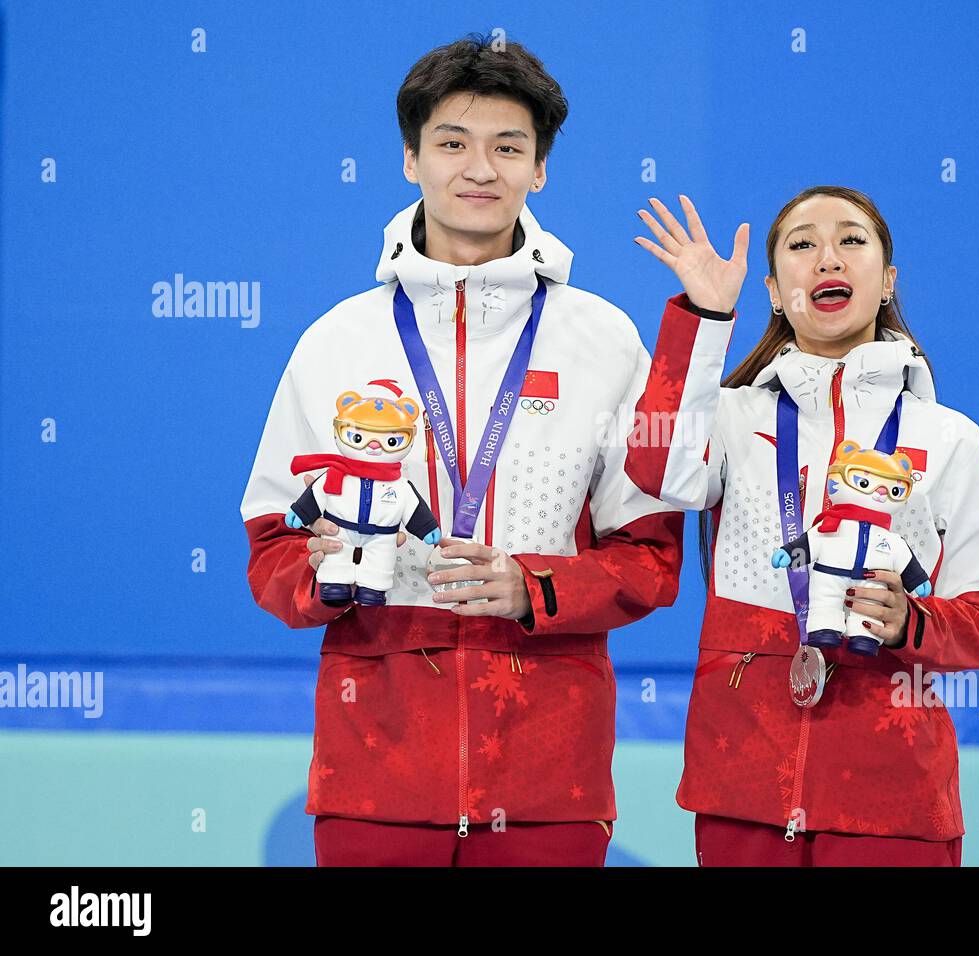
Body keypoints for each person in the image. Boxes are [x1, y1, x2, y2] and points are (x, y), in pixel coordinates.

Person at [239, 34, 683, 867]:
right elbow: (270, 551)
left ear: (540, 169)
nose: (479, 168)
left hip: (551, 776)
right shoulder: (335, 341)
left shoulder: (604, 339)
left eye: (508, 147)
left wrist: (533, 586)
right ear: (411, 158)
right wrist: (321, 573)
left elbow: (652, 558)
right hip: (375, 771)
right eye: (452, 143)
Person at [626, 187, 979, 866]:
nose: (827, 257)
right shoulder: (730, 419)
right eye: (802, 245)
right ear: (775, 291)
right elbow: (657, 469)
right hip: (743, 783)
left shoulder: (950, 438)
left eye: (851, 240)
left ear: (887, 282)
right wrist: (705, 316)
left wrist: (909, 622)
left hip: (892, 798)